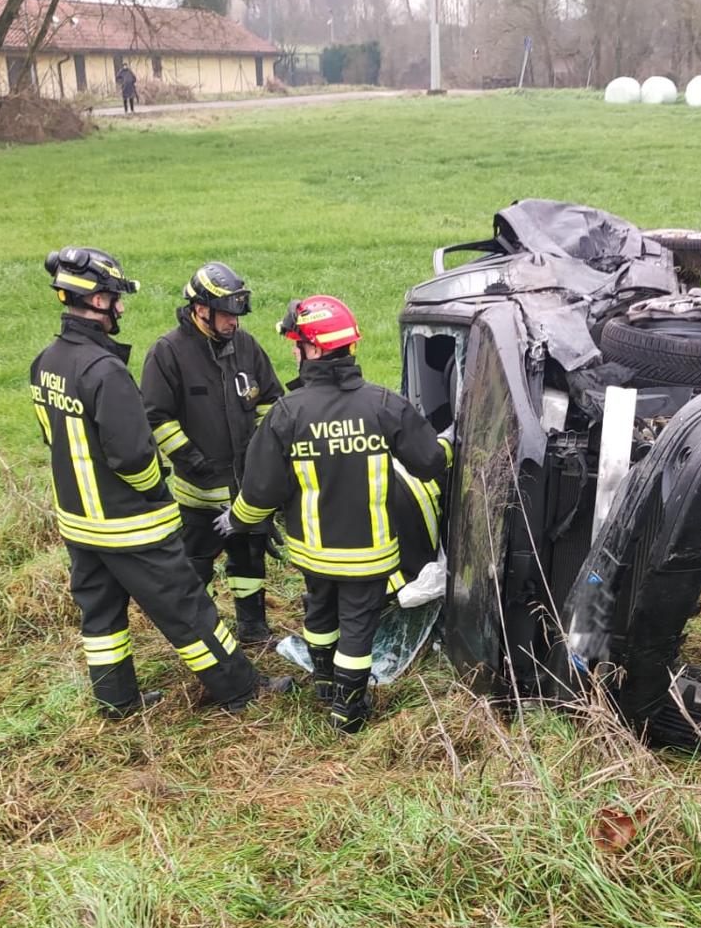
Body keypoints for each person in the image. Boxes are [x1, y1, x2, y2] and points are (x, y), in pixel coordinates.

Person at [29, 246, 288, 717]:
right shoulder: (105, 370)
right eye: (115, 298)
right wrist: (157, 491)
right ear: (96, 299)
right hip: (129, 524)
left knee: (102, 617)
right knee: (189, 610)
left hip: (79, 522)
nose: (121, 308)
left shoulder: (46, 362)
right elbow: (134, 456)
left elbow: (52, 436)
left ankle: (117, 701)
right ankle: (241, 690)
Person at [222, 296, 451, 734]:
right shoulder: (383, 405)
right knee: (357, 631)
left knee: (320, 614)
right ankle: (348, 713)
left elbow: (261, 489)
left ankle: (325, 684)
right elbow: (429, 463)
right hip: (369, 555)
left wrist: (237, 520)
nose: (294, 352)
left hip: (313, 552)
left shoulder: (287, 414)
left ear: (313, 349)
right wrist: (449, 445)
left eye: (297, 345)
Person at [141, 261, 283, 643]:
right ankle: (204, 636)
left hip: (245, 490)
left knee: (249, 561)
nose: (233, 322)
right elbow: (156, 418)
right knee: (196, 567)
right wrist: (195, 462)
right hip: (199, 496)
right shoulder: (168, 353)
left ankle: (252, 628)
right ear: (201, 309)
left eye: (237, 314)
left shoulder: (246, 346)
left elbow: (271, 400)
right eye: (226, 314)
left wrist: (261, 454)